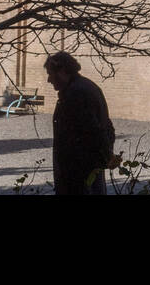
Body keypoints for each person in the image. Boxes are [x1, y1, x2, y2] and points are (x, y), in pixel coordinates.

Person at [45, 52, 116, 195]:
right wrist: (107, 156)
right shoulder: (88, 87)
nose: (48, 80)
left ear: (63, 71)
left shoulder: (76, 94)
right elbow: (106, 127)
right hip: (90, 168)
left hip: (78, 173)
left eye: (50, 74)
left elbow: (94, 130)